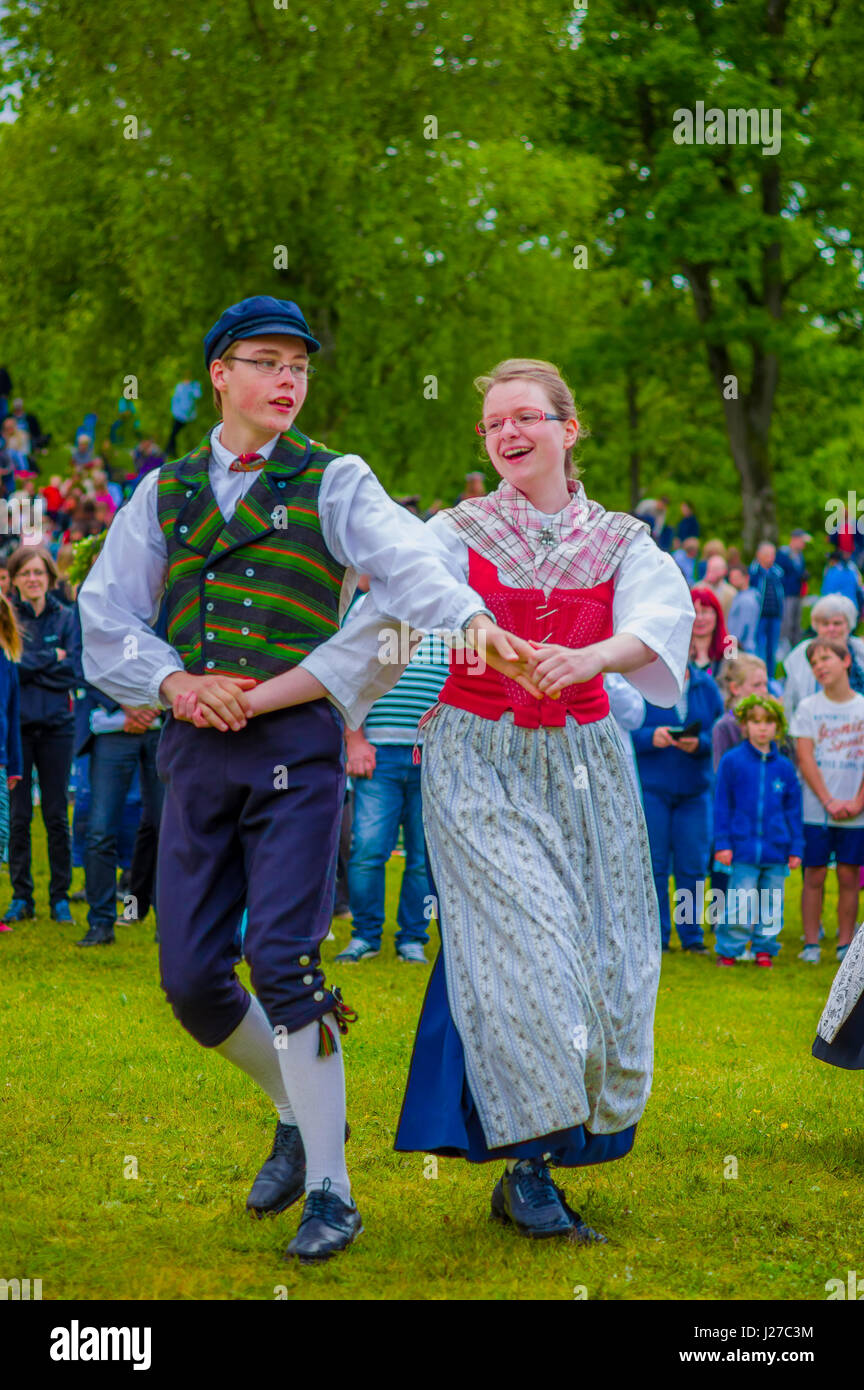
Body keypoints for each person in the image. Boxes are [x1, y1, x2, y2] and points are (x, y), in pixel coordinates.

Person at [79, 296, 535, 1265]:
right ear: (220, 374)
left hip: (300, 751)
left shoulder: (336, 479)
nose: (287, 379)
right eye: (266, 361)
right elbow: (107, 615)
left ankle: (333, 1191)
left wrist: (472, 621)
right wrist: (173, 679)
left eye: (300, 366)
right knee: (194, 981)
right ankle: (294, 1110)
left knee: (285, 964)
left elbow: (410, 574)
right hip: (195, 749)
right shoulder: (161, 494)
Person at [232, 356, 695, 1243]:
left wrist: (590, 657)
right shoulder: (454, 532)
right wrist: (270, 695)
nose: (509, 434)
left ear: (570, 428)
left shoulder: (622, 539)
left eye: (526, 417)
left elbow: (657, 620)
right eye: (492, 425)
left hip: (588, 762)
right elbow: (392, 611)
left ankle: (541, 1159)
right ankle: (526, 1172)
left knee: (606, 957)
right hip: (478, 756)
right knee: (535, 949)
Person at [336, 630, 449, 965]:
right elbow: (349, 684)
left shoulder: (455, 619)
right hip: (378, 753)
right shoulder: (375, 614)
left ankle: (413, 939)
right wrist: (354, 742)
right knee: (368, 849)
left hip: (433, 757)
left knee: (421, 856)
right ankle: (364, 936)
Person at [4, 545, 81, 924]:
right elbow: (7, 671)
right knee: (19, 818)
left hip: (56, 729)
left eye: (39, 573)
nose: (32, 580)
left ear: (50, 578)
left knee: (55, 815)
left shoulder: (66, 618)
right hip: (16, 732)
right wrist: (53, 658)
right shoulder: (7, 619)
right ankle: (22, 897)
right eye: (25, 573)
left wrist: (28, 665)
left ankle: (59, 897)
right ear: (14, 580)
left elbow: (74, 670)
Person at [633, 662, 724, 953]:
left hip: (694, 792)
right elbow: (621, 732)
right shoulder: (641, 681)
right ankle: (657, 936)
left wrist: (699, 743)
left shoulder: (705, 685)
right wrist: (651, 737)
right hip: (652, 789)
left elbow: (719, 734)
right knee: (654, 864)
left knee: (692, 866)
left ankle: (691, 936)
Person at [713, 694, 803, 968]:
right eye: (755, 721)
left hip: (776, 851)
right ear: (745, 725)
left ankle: (764, 948)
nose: (762, 728)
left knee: (772, 903)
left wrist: (796, 847)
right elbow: (721, 805)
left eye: (769, 722)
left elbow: (793, 811)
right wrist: (723, 843)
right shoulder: (732, 761)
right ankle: (730, 949)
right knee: (739, 903)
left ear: (778, 726)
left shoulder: (785, 768)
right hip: (742, 849)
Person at [791, 638, 864, 964]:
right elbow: (805, 758)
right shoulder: (808, 707)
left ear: (846, 660)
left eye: (825, 658)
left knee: (849, 875)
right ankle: (810, 943)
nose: (819, 666)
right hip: (816, 809)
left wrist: (859, 801)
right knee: (814, 875)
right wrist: (828, 800)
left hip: (855, 811)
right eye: (814, 663)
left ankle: (845, 944)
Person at [782, 595, 864, 725]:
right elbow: (791, 700)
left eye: (837, 623)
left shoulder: (860, 650)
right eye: (825, 624)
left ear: (848, 625)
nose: (831, 629)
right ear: (816, 627)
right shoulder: (801, 654)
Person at [0, 596, 23, 934]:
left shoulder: (6, 659)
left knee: (1, 833)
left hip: (1, 761)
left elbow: (12, 713)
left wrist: (15, 764)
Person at [749, 542, 786, 679]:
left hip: (774, 615)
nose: (770, 558)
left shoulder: (778, 572)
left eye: (772, 555)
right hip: (759, 616)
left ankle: (770, 677)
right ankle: (758, 675)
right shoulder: (753, 571)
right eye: (767, 555)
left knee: (772, 648)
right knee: (759, 646)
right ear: (759, 555)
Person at [775, 529, 811, 658]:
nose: (803, 545)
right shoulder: (783, 554)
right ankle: (783, 649)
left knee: (796, 622)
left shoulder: (800, 556)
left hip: (797, 593)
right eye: (802, 541)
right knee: (787, 622)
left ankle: (796, 649)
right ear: (795, 539)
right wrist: (795, 578)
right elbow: (779, 574)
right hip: (787, 594)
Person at [688, 585, 728, 678]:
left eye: (705, 611)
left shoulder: (729, 656)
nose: (699, 618)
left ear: (717, 615)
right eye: (694, 612)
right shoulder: (678, 655)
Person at [165, 378, 202, 459]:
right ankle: (170, 450)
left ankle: (170, 450)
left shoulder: (194, 385)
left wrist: (194, 385)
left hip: (190, 417)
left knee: (183, 435)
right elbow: (175, 399)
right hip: (179, 415)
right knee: (174, 434)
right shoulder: (179, 386)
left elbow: (198, 395)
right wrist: (174, 412)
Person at [821, 551, 864, 619]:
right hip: (852, 605)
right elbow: (859, 585)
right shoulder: (852, 568)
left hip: (836, 607)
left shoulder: (833, 571)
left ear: (834, 560)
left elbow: (826, 590)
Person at [702, 554, 735, 619]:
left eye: (715, 569)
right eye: (710, 568)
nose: (711, 572)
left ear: (725, 571)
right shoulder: (698, 588)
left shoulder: (731, 593)